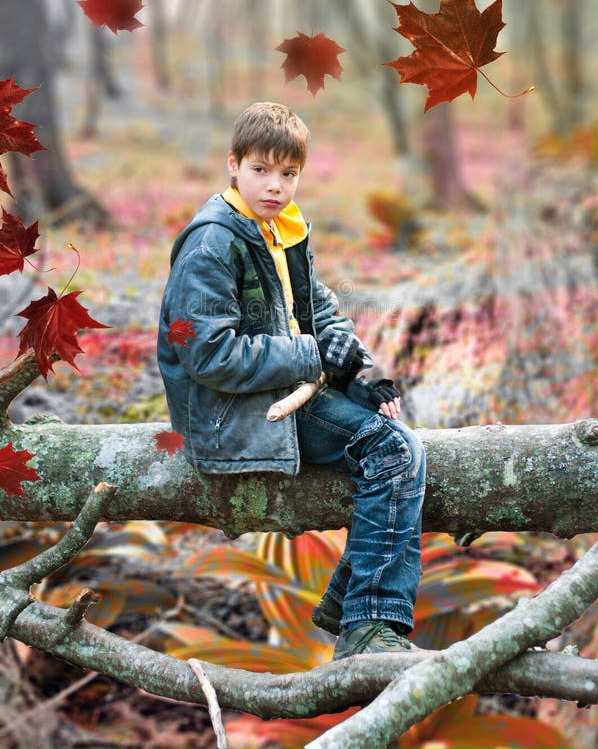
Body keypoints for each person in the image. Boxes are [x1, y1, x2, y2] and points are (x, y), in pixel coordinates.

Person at [157, 101, 426, 660]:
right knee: (394, 453)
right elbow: (209, 354)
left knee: (400, 442)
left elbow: (319, 312)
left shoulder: (282, 229)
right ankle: (366, 627)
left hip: (281, 391)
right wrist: (313, 356)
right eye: (261, 170)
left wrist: (362, 373)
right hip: (233, 410)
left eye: (288, 174)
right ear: (234, 164)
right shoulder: (212, 242)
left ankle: (352, 605)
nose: (275, 186)